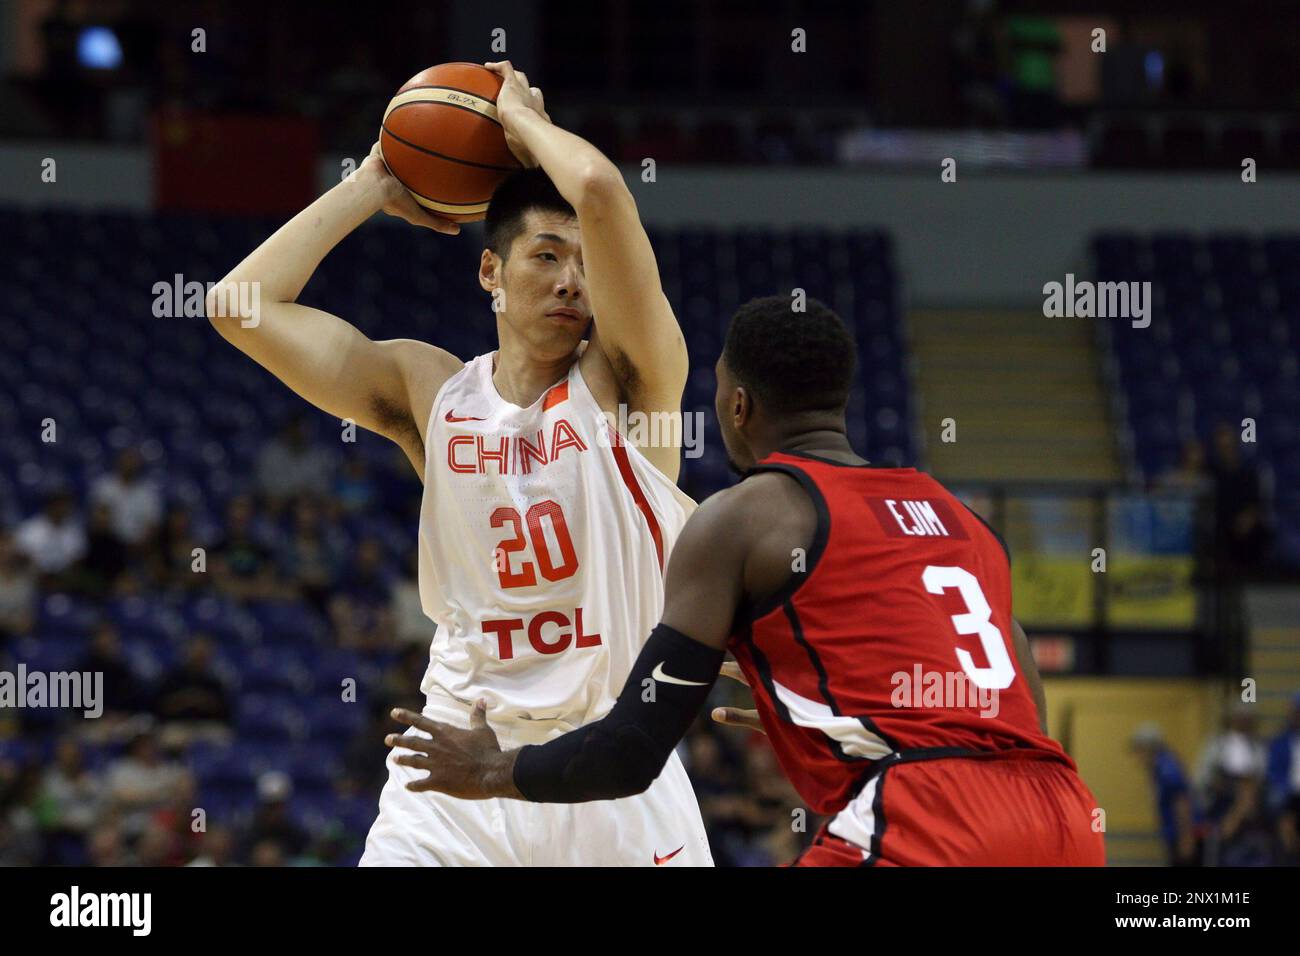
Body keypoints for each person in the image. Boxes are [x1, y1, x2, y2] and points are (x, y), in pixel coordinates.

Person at [386, 297, 1106, 867]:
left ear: (737, 406)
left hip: (934, 815)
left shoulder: (749, 515)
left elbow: (630, 752)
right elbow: (1015, 714)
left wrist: (490, 772)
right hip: (1064, 816)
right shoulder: (962, 520)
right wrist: (834, 718)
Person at [207, 61, 708, 865]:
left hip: (611, 765)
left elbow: (604, 194)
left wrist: (525, 124)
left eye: (584, 261)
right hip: (453, 762)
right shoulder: (431, 390)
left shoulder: (636, 382)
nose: (572, 280)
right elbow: (238, 306)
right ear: (491, 274)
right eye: (546, 256)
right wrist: (376, 178)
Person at [1130, 722, 1201, 865]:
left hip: (1184, 836)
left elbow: (1182, 802)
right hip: (1175, 834)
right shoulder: (1158, 768)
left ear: (1149, 747)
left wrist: (1185, 839)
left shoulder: (1167, 769)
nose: (1137, 756)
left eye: (1139, 750)